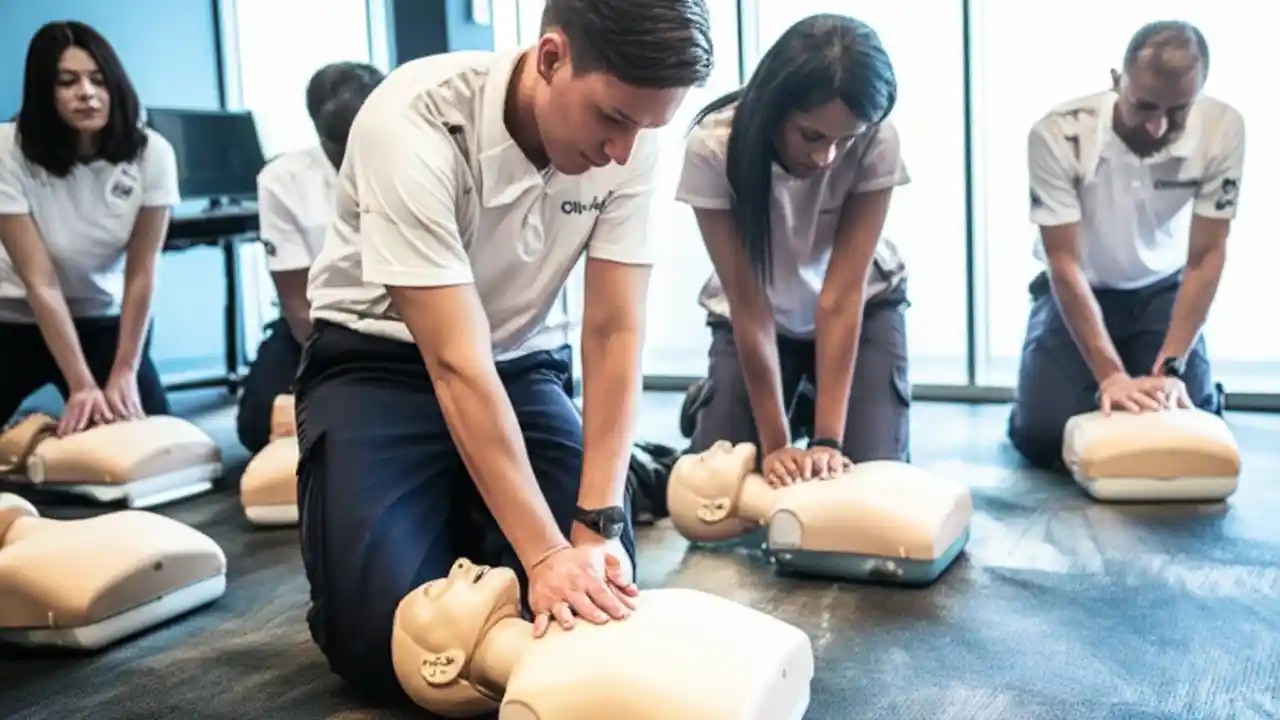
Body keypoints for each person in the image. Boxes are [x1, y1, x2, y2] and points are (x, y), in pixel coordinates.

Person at [296, 0, 714, 699]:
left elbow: (613, 332)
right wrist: (545, 551)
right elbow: (454, 362)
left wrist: (596, 525)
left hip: (519, 363)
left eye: (647, 128)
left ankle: (473, 506)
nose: (623, 153)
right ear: (551, 58)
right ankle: (463, 511)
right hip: (378, 363)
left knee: (603, 586)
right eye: (612, 119)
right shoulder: (411, 119)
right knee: (380, 643)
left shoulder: (630, 137)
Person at [675, 14, 910, 487]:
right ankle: (722, 399)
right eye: (812, 136)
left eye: (847, 139)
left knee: (868, 479)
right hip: (758, 319)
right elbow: (748, 303)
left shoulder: (878, 138)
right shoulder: (713, 149)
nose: (827, 157)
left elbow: (841, 297)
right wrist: (777, 443)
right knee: (718, 482)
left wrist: (828, 440)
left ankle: (814, 403)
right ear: (776, 107)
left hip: (859, 311)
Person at [1008, 20, 1244, 469]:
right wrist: (1110, 375)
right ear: (1117, 82)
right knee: (1041, 436)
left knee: (1189, 418)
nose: (1158, 127)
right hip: (1078, 287)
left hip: (1162, 290)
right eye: (1144, 106)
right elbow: (1063, 261)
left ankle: (1194, 380)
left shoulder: (1222, 130)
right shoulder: (1058, 134)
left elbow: (1206, 255)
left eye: (1177, 112)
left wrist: (1173, 367)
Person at [0, 21, 179, 436]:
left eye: (98, 80)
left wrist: (124, 371)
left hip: (102, 320)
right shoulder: (7, 150)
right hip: (12, 319)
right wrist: (81, 384)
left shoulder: (153, 154)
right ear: (44, 92)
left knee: (151, 440)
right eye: (68, 81)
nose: (87, 92)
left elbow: (141, 272)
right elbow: (39, 281)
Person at [235, 61, 384, 453]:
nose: (353, 154)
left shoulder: (409, 163)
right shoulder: (282, 179)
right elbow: (297, 302)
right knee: (257, 423)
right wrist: (337, 369)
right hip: (320, 326)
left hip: (405, 321)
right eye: (340, 143)